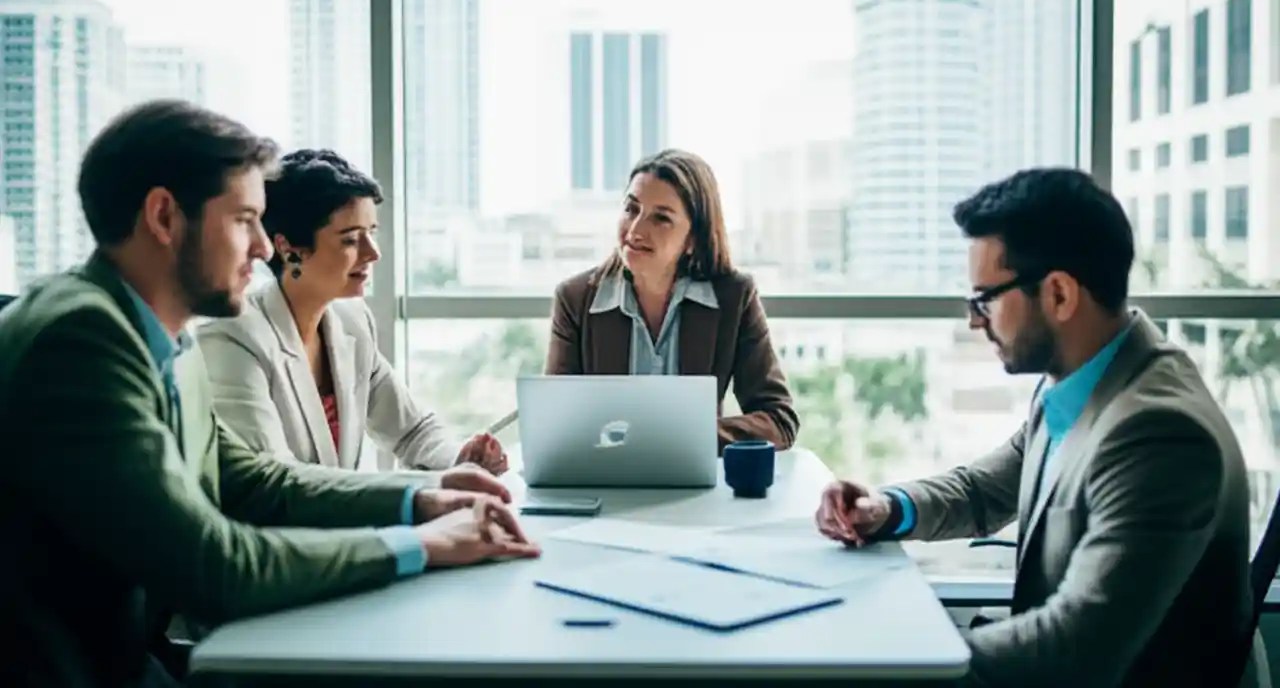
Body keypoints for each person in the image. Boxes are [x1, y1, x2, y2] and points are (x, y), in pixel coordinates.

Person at [0, 100, 539, 688]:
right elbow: (215, 566)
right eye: (244, 220)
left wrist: (425, 495)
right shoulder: (82, 341)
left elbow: (254, 478)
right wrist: (420, 545)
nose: (263, 247)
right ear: (163, 217)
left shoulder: (161, 337)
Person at [814, 168, 1263, 687]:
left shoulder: (1160, 434)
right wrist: (886, 508)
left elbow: (1075, 645)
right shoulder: (1082, 378)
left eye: (985, 299)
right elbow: (985, 490)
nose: (974, 321)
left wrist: (885, 655)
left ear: (1059, 295)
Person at [197, 149, 507, 474]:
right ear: (290, 249)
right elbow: (274, 477)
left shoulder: (352, 321)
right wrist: (424, 494)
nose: (373, 253)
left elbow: (413, 431)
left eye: (371, 234)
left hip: (341, 522)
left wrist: (462, 461)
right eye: (350, 240)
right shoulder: (233, 336)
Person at [545, 148, 798, 450]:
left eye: (661, 218)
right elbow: (555, 422)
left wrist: (683, 435)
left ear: (693, 239)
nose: (636, 230)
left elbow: (779, 420)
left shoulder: (733, 298)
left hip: (697, 488)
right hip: (605, 485)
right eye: (631, 209)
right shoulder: (576, 300)